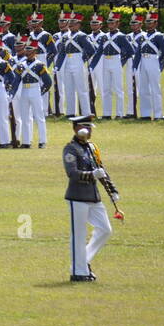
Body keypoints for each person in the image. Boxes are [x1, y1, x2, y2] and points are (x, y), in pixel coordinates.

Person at [62, 115, 113, 282]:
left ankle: (83, 261)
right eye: (86, 127)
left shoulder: (91, 147)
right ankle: (78, 272)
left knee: (105, 229)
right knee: (79, 235)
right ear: (77, 129)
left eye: (90, 128)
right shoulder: (70, 149)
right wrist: (92, 174)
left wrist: (111, 189)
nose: (89, 131)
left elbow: (101, 169)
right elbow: (72, 173)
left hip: (93, 196)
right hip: (77, 196)